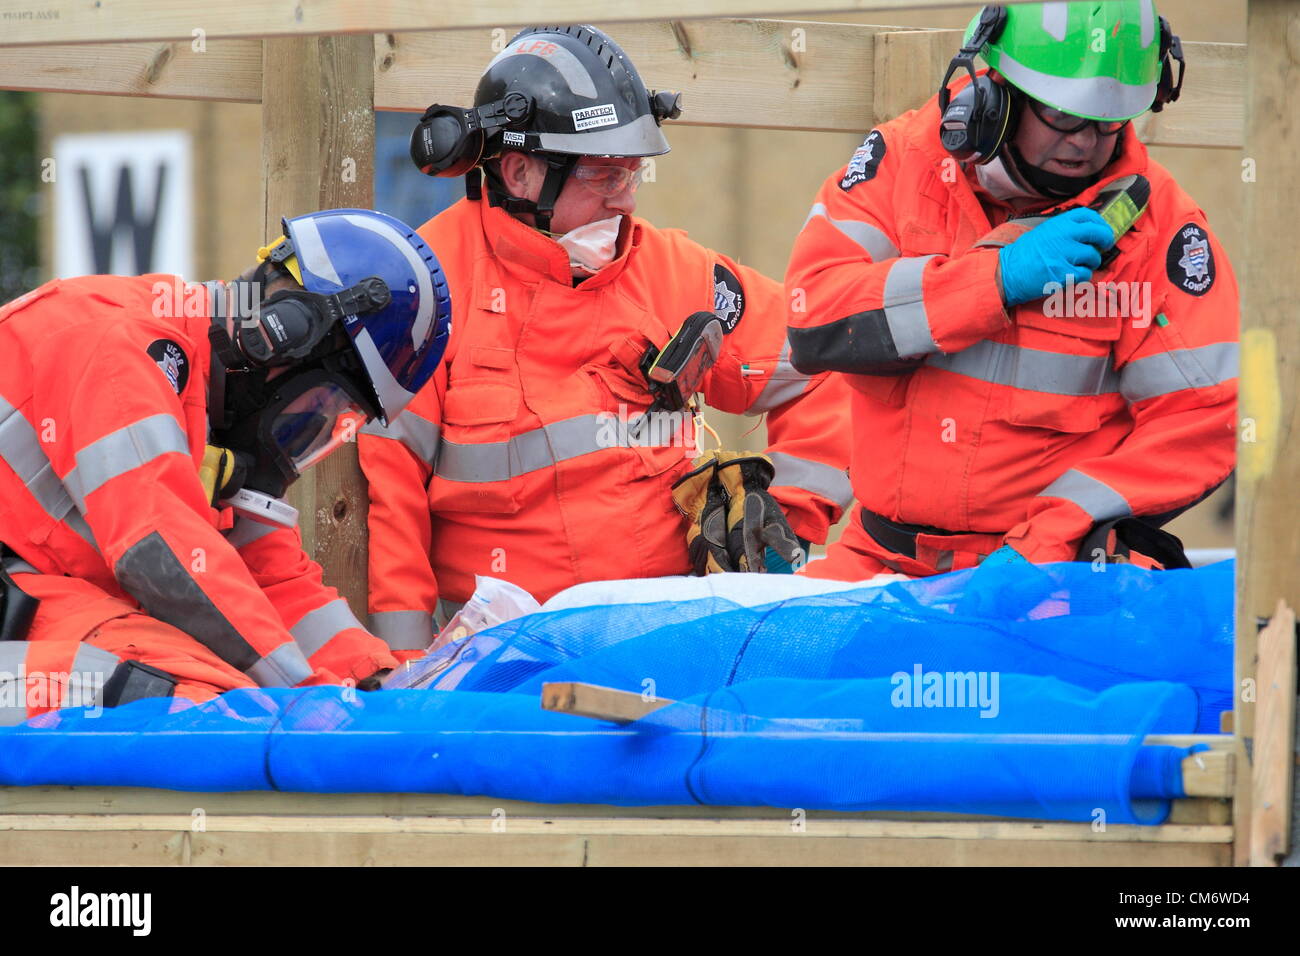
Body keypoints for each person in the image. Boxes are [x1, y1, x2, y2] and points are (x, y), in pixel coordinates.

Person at [360, 24, 854, 655]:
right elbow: (391, 500)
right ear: (520, 172)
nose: (625, 200)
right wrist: (408, 682)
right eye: (602, 176)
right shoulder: (429, 288)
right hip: (500, 663)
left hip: (671, 645)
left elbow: (825, 362)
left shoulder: (677, 275)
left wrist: (787, 510)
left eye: (633, 173)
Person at [786, 1, 1236, 579]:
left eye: (1109, 120)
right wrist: (991, 281)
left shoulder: (1161, 229)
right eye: (1063, 116)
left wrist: (1059, 527)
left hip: (1048, 568)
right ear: (993, 93)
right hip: (879, 561)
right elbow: (813, 321)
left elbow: (1203, 421)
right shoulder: (903, 162)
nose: (1087, 142)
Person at [0, 209, 451, 722]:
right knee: (189, 697)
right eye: (320, 407)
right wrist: (306, 697)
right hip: (17, 595)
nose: (309, 432)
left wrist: (379, 683)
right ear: (285, 332)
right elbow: (158, 550)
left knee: (225, 693)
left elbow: (274, 579)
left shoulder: (209, 415)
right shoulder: (120, 344)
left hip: (30, 598)